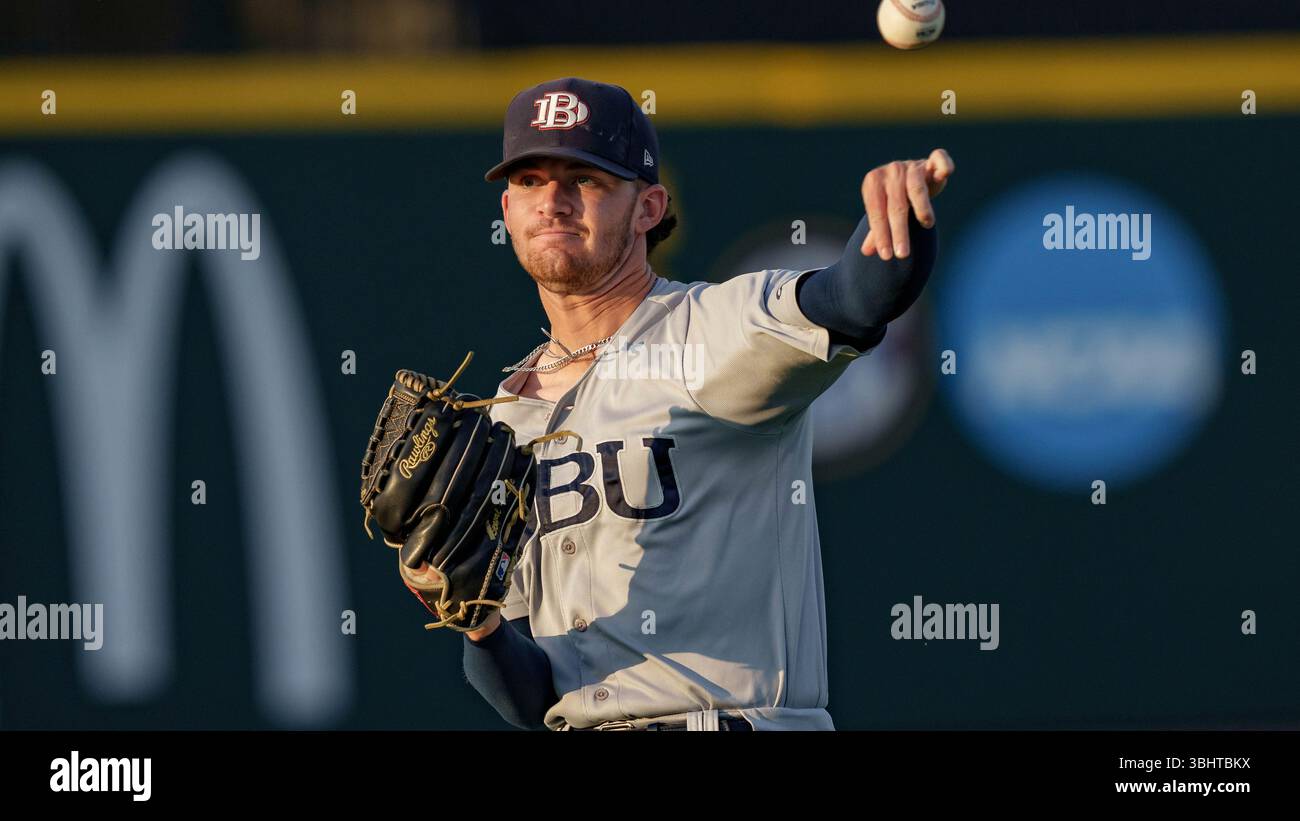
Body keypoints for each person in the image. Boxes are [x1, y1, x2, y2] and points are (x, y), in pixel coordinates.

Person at [404, 76, 953, 730]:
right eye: (529, 180)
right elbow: (537, 699)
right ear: (506, 210)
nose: (552, 200)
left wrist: (897, 227)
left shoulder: (711, 329)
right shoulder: (506, 418)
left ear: (648, 207)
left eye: (585, 179)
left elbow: (855, 298)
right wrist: (477, 621)